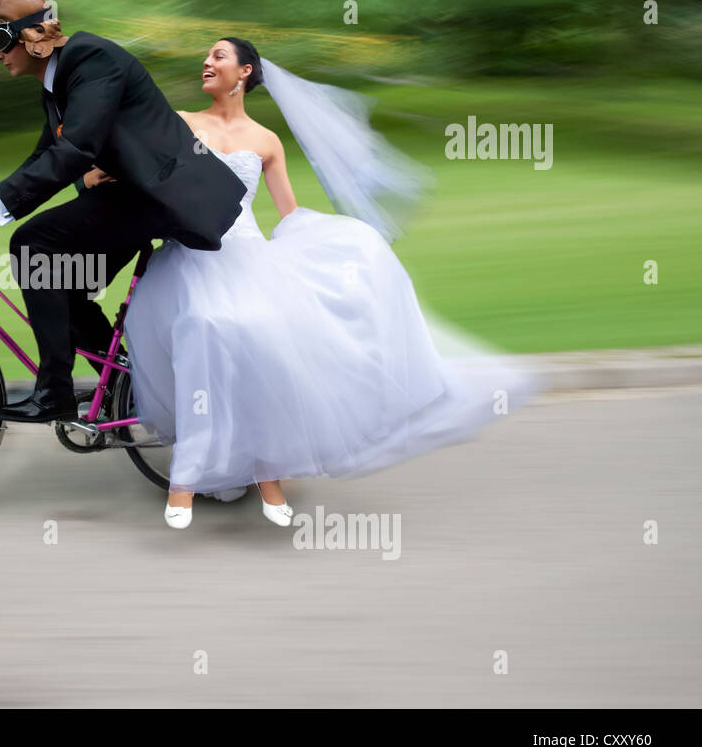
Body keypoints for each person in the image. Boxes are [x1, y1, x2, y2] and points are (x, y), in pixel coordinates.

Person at [122, 37, 535, 529]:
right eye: (207, 56)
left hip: (246, 254)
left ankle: (265, 472)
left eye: (218, 56)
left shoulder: (266, 140)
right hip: (193, 251)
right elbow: (146, 170)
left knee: (266, 338)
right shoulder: (184, 122)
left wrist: (344, 244)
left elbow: (288, 212)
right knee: (207, 327)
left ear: (246, 72)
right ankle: (186, 480)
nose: (206, 62)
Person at [0, 0, 247, 423]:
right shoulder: (55, 88)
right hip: (138, 197)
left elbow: (76, 149)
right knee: (61, 286)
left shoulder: (90, 60)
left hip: (164, 197)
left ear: (28, 36)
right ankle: (128, 386)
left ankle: (53, 393)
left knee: (33, 244)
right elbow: (46, 160)